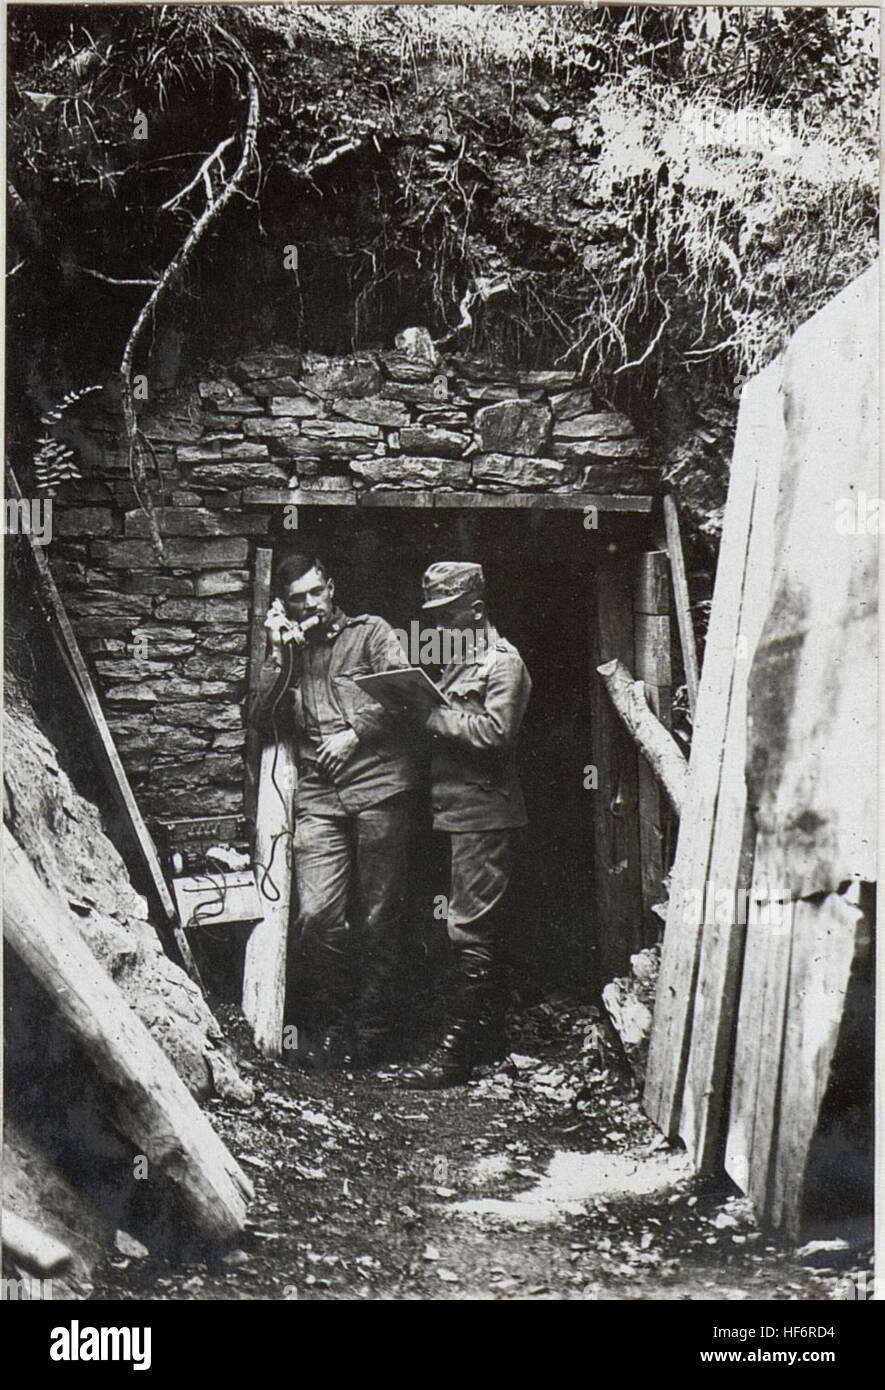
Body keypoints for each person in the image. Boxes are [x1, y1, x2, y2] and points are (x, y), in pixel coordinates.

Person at [252, 553, 419, 1068]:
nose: (309, 605)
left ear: (331, 587)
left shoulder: (371, 634)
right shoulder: (290, 653)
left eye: (315, 593)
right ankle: (333, 1024)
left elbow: (407, 695)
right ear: (285, 604)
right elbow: (260, 719)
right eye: (297, 599)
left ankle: (372, 1031)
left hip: (379, 786)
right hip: (320, 797)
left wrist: (355, 732)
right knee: (317, 917)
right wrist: (280, 654)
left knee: (378, 915)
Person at [399, 561, 532, 1090]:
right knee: (465, 927)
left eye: (448, 616)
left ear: (476, 611)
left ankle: (455, 1059)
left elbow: (498, 732)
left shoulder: (504, 664)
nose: (439, 627)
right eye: (434, 616)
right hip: (450, 810)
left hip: (483, 812)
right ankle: (489, 1037)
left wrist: (432, 718)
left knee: (470, 929)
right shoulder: (456, 661)